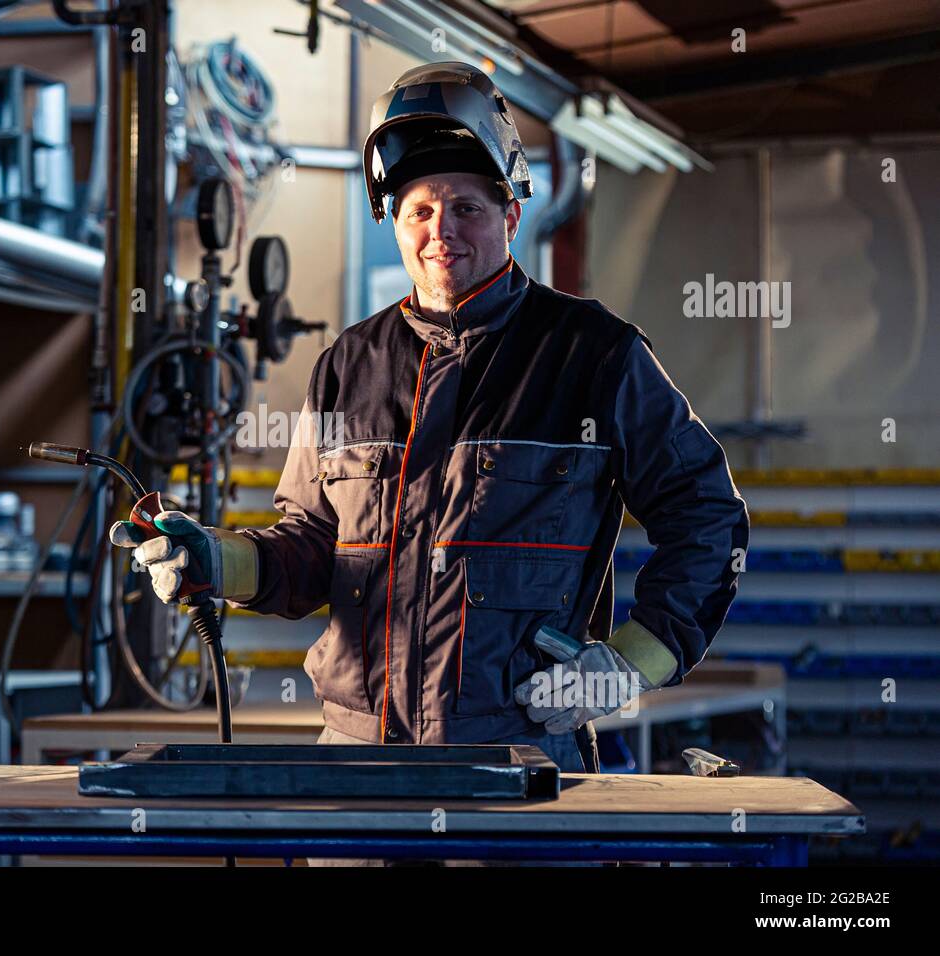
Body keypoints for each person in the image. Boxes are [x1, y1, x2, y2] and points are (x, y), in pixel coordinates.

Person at [111, 61, 749, 784]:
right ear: (394, 222)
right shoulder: (347, 365)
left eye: (466, 208)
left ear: (511, 214)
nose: (441, 230)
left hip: (518, 759)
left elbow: (708, 519)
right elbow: (311, 549)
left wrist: (629, 663)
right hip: (355, 766)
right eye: (419, 211)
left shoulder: (594, 354)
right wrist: (209, 561)